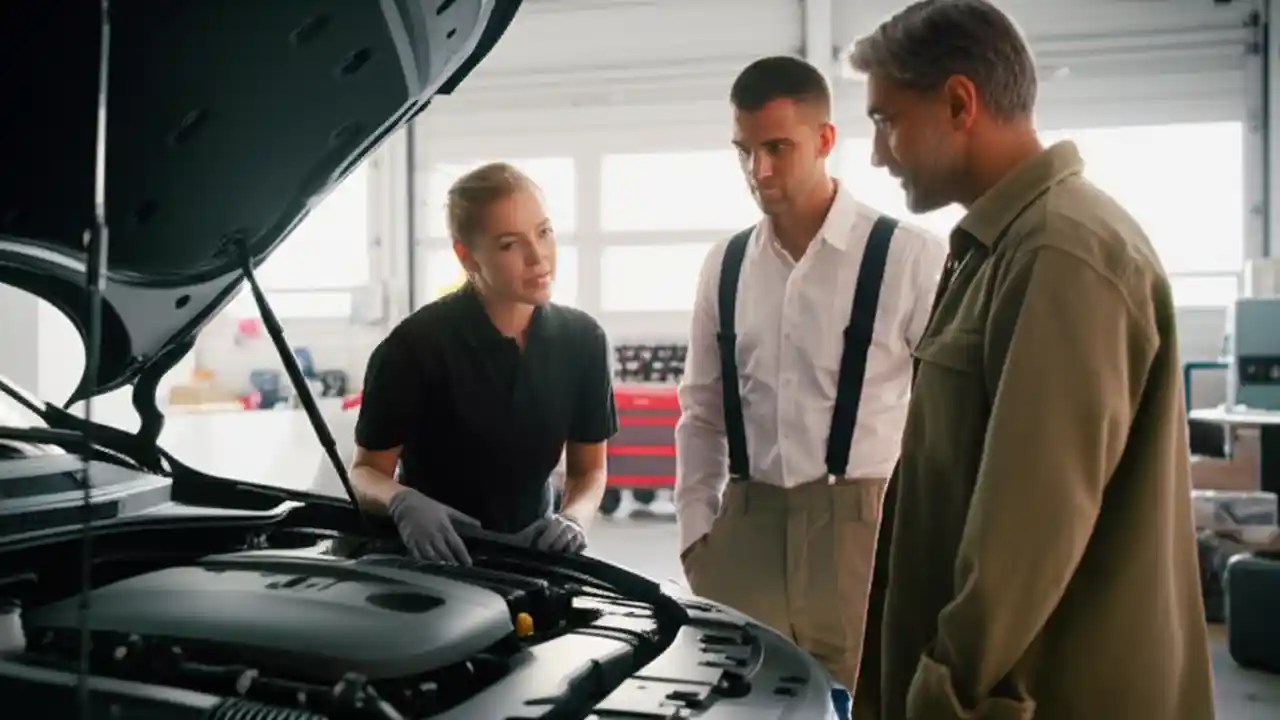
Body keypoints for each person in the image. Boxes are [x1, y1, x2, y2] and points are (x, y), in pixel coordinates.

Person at [846, 2, 1215, 719]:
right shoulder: (1005, 247)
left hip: (1041, 693)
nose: (878, 154)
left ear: (959, 102)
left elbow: (1029, 528)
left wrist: (943, 689)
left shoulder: (1060, 253)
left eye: (886, 121)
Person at [674, 55, 946, 710]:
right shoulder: (727, 264)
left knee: (872, 703)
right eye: (745, 151)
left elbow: (951, 419)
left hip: (862, 528)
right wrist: (694, 534)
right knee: (747, 707)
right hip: (746, 527)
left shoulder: (908, 256)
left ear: (824, 140)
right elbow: (702, 410)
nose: (758, 170)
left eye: (777, 148)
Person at [350, 161, 618, 566]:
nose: (538, 256)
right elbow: (364, 474)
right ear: (466, 256)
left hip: (532, 556)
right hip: (430, 560)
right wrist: (403, 502)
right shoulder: (413, 348)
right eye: (510, 243)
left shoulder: (583, 341)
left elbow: (589, 471)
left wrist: (574, 519)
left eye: (543, 232)